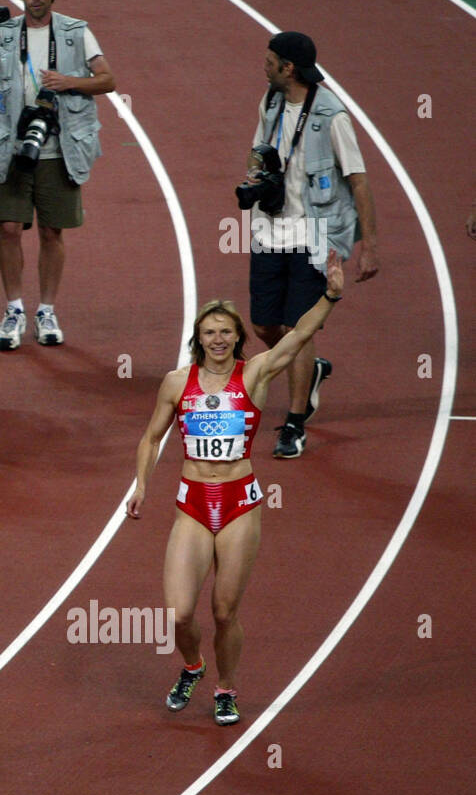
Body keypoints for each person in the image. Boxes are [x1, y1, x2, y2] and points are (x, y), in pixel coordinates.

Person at [125, 256, 345, 726]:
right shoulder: (175, 383)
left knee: (224, 611)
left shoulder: (254, 375)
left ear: (238, 339)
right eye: (210, 332)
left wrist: (329, 296)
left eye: (226, 331)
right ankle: (192, 667)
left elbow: (299, 336)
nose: (219, 339)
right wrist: (142, 484)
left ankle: (225, 687)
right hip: (192, 503)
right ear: (198, 339)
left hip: (239, 502)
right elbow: (150, 437)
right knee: (180, 613)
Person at [0, 0, 115, 350]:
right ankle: (14, 309)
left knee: (52, 231)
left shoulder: (75, 32)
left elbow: (108, 79)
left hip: (60, 148)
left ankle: (46, 310)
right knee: (9, 228)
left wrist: (68, 82)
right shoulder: (7, 33)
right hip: (13, 148)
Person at [243, 31, 379, 458]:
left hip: (316, 233)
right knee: (265, 325)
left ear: (289, 68)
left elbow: (358, 180)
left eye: (270, 61)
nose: (263, 66)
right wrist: (255, 178)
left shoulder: (332, 116)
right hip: (271, 228)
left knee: (298, 330)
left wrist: (368, 245)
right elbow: (257, 150)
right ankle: (309, 370)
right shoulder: (270, 101)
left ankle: (294, 422)